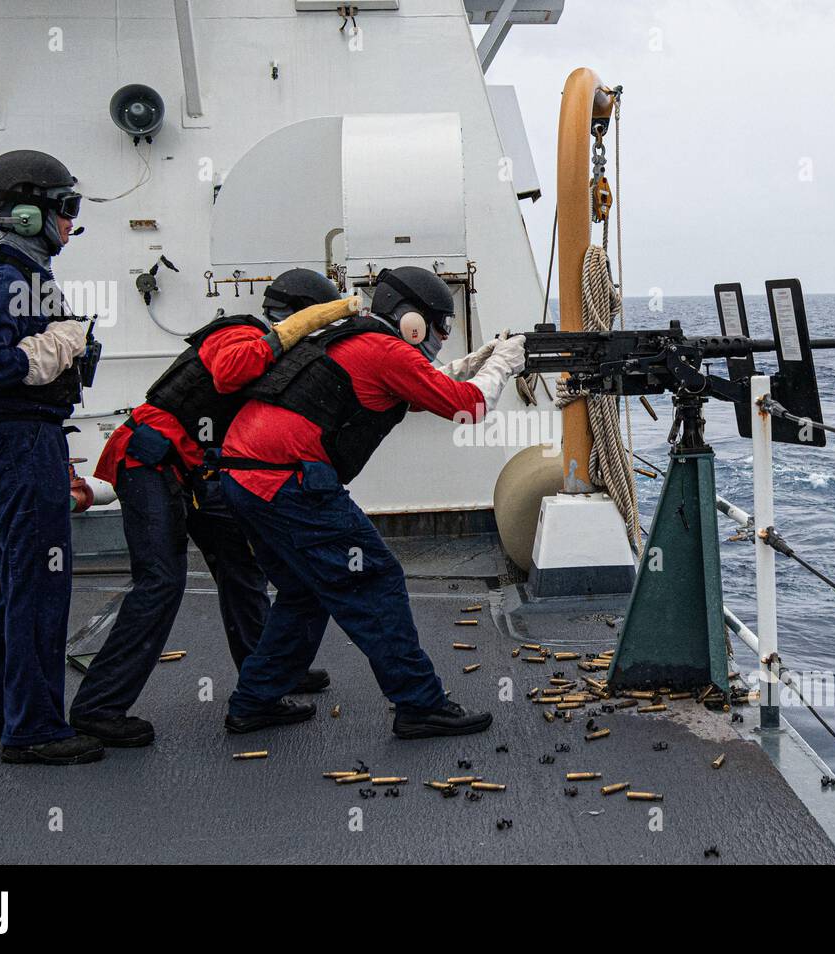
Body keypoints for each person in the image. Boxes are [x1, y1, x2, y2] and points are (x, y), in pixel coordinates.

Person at [216, 265, 526, 738]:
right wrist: (504, 363)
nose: (442, 337)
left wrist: (475, 361)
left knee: (303, 591)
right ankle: (419, 704)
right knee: (375, 580)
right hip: (288, 483)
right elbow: (469, 407)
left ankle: (254, 700)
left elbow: (420, 388)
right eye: (440, 326)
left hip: (243, 477)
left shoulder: (352, 339)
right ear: (412, 322)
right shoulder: (384, 350)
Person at [68, 271, 358, 746]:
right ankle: (98, 708)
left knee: (240, 567)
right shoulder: (239, 334)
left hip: (194, 468)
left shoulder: (270, 352)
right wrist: (298, 332)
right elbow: (229, 372)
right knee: (161, 580)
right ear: (297, 318)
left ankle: (267, 678)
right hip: (151, 459)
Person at [0, 149, 103, 764]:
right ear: (24, 214)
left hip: (21, 440)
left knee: (14, 581)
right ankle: (35, 728)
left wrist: (62, 345)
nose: (71, 222)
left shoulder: (23, 275)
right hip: (17, 442)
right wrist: (52, 351)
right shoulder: (6, 279)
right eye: (64, 209)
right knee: (41, 582)